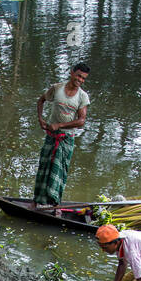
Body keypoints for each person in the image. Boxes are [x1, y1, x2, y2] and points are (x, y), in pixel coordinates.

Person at [33, 63, 90, 208]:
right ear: (72, 73)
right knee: (43, 167)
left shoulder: (82, 96)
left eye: (83, 78)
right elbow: (41, 100)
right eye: (78, 76)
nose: (80, 80)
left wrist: (60, 125)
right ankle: (36, 201)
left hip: (66, 139)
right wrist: (40, 119)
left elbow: (81, 121)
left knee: (60, 172)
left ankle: (56, 205)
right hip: (51, 136)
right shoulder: (57, 88)